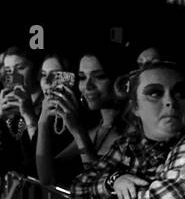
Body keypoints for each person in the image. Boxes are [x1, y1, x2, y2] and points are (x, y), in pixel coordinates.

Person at [70, 61, 185, 199]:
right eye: (155, 93)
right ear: (135, 106)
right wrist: (113, 181)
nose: (170, 102)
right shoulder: (129, 144)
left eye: (181, 93)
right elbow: (78, 190)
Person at [36, 47, 125, 188]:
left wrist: (77, 129)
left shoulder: (131, 132)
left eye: (99, 76)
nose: (88, 86)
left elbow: (96, 187)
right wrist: (43, 122)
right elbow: (46, 178)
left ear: (119, 80)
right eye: (83, 77)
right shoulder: (97, 129)